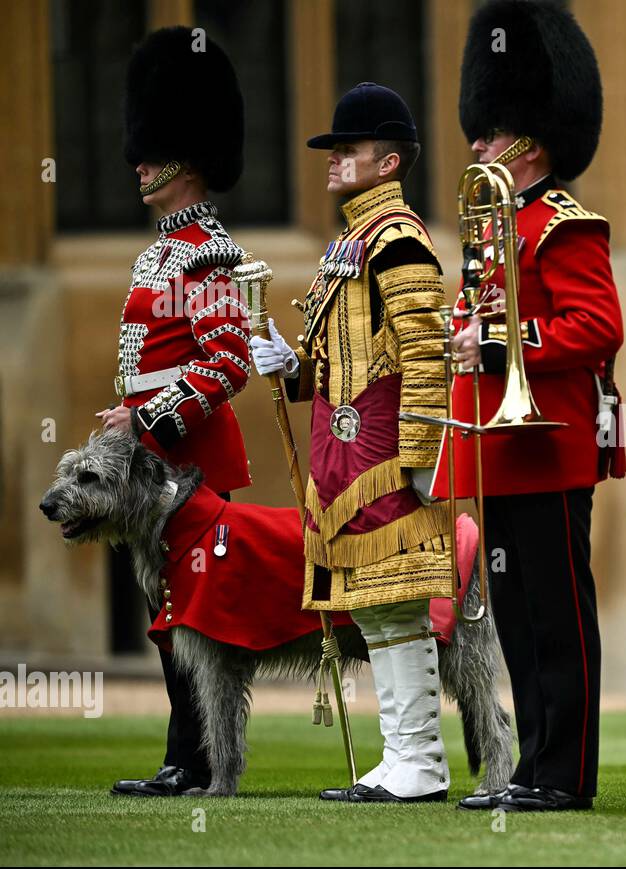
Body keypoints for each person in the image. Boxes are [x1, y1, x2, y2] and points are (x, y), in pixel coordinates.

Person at [250, 82, 453, 804]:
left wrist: (423, 454)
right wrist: (293, 366)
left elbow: (426, 351)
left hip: (383, 453)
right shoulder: (352, 240)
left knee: (398, 605)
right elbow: (346, 355)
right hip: (346, 452)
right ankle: (402, 757)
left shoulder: (397, 240)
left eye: (350, 148)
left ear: (389, 162)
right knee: (374, 609)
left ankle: (422, 760)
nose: (335, 159)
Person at [446, 0, 624, 814]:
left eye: (491, 130)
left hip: (548, 444)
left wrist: (499, 345)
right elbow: (474, 325)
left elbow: (595, 327)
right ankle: (532, 768)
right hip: (498, 445)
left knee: (557, 616)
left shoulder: (564, 227)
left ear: (530, 135)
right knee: (514, 620)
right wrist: (465, 345)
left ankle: (567, 772)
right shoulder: (492, 230)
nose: (477, 143)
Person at [106, 26, 251, 799]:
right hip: (156, 460)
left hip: (189, 463)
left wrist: (145, 418)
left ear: (185, 159)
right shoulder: (159, 251)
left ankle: (196, 760)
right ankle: (185, 757)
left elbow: (227, 362)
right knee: (167, 616)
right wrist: (127, 408)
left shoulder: (206, 250)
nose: (138, 160)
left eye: (151, 149)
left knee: (187, 618)